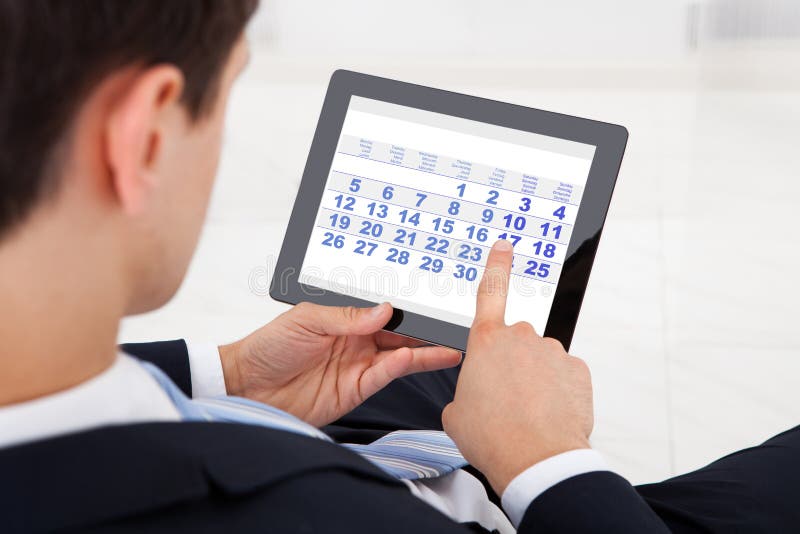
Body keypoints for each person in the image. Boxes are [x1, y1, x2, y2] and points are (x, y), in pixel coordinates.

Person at [1, 1, 799, 532]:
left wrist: (230, 377)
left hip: (270, 424)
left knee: (433, 352)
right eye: (227, 94)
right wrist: (547, 464)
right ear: (140, 137)